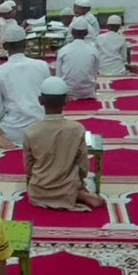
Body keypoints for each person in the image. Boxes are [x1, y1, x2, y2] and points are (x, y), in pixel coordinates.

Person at [23, 77, 106, 211]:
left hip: (38, 191)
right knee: (88, 182)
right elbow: (83, 166)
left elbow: (28, 168)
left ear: (40, 100)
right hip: (69, 187)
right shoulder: (77, 129)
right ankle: (76, 194)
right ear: (66, 100)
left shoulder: (31, 131)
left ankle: (59, 194)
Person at [0, 26, 50, 150]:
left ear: (5, 47)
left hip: (14, 131)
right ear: (25, 44)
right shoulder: (42, 66)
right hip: (42, 128)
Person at [53, 18, 99, 101]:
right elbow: (94, 74)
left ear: (72, 33)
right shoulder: (94, 51)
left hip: (68, 91)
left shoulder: (63, 50)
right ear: (86, 33)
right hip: (87, 91)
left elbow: (58, 75)